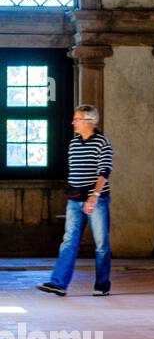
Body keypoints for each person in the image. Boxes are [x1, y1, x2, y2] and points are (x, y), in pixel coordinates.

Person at [37, 104, 113, 297]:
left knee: (101, 244)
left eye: (77, 119)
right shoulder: (73, 144)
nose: (73, 122)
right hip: (74, 200)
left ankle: (102, 285)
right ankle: (58, 284)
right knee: (69, 241)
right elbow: (74, 172)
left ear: (90, 121)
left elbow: (104, 172)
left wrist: (93, 197)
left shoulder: (102, 143)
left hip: (97, 200)